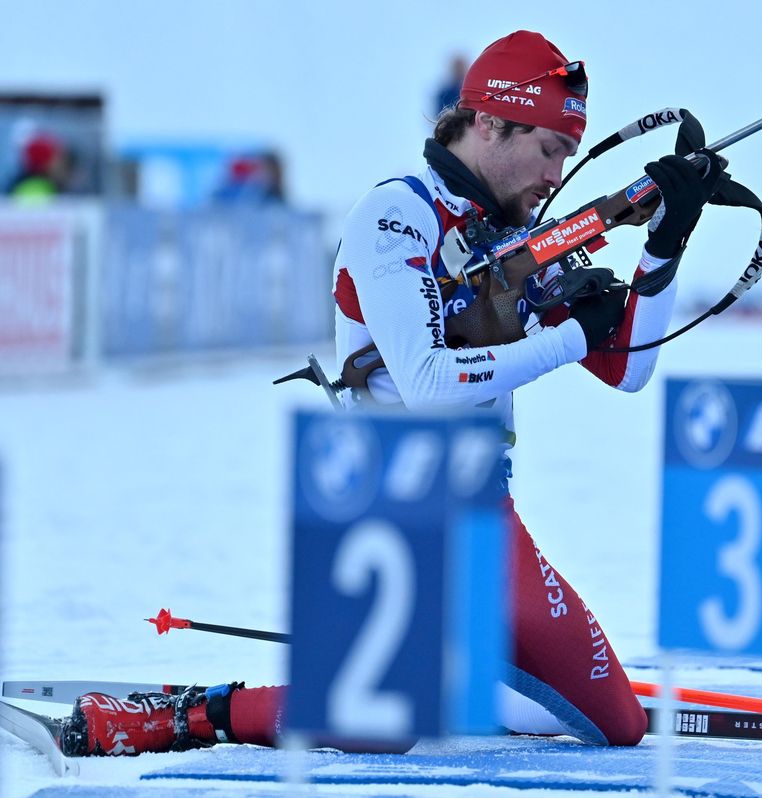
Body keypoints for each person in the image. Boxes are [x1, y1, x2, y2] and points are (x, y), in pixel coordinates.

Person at [58, 29, 724, 757]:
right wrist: (569, 338)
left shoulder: (518, 236)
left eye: (569, 152)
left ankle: (450, 669)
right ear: (491, 123)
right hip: (392, 511)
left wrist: (665, 242)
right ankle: (192, 715)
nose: (556, 171)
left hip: (481, 514)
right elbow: (430, 385)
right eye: (549, 148)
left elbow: (629, 370)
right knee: (376, 728)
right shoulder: (395, 216)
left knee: (618, 724)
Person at [5, 130, 71, 203]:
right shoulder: (39, 190)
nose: (61, 163)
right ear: (45, 163)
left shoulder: (23, 183)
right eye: (57, 158)